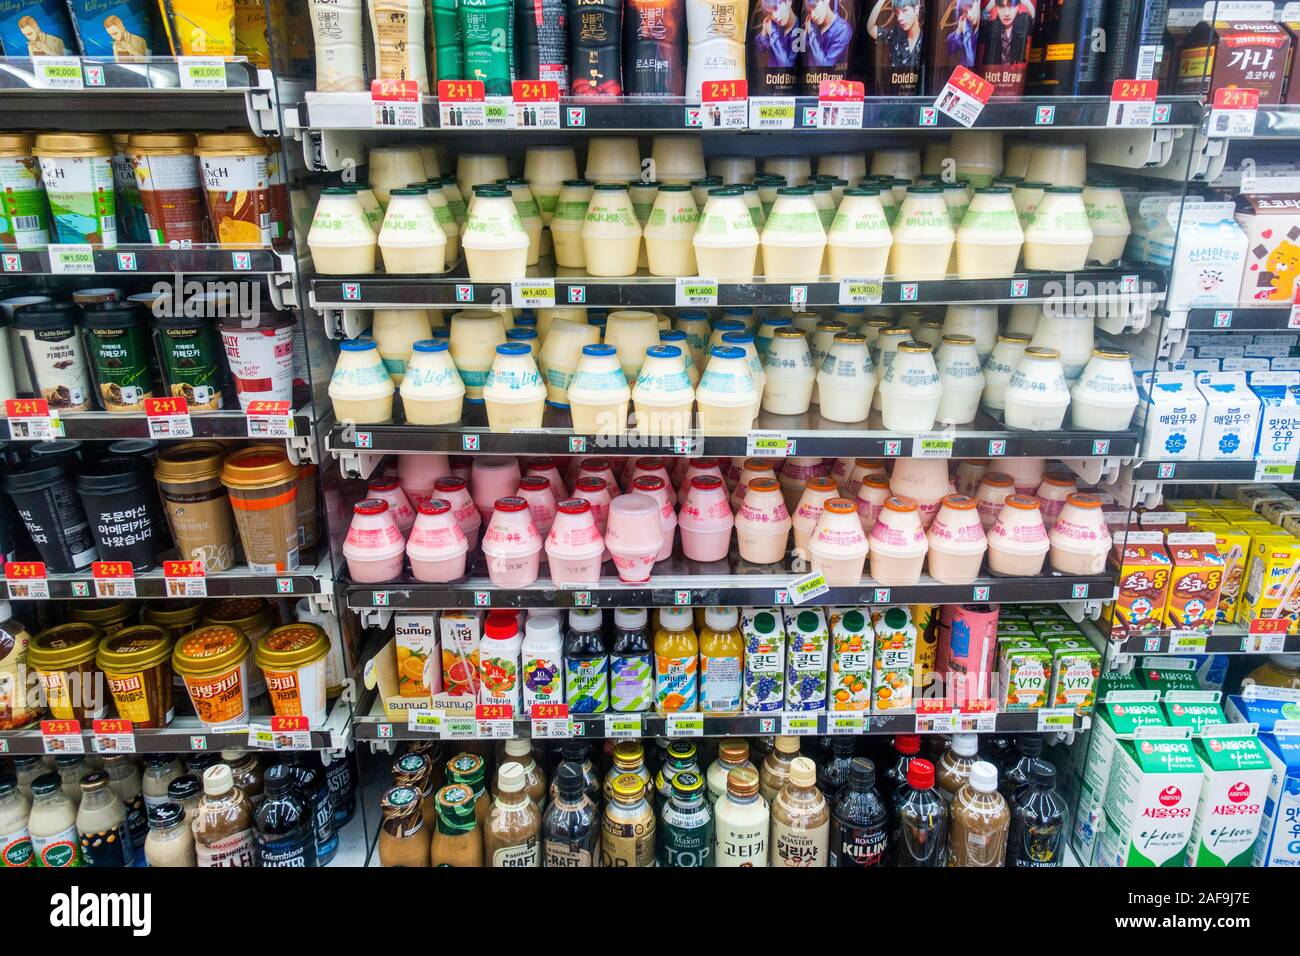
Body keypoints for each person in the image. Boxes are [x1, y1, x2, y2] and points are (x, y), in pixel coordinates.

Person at [866, 0, 923, 70]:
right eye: (897, 13)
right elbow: (871, 29)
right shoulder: (895, 34)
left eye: (905, 10)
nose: (900, 18)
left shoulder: (926, 40)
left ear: (917, 9)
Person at [980, 0, 1034, 66]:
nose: (1006, 13)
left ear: (1018, 6)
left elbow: (1033, 20)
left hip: (1015, 74)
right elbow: (978, 37)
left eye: (1011, 7)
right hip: (992, 74)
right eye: (1001, 7)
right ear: (996, 6)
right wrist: (989, 6)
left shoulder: (1023, 22)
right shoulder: (991, 26)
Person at [805, 0, 852, 67]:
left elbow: (825, 66)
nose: (813, 15)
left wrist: (811, 33)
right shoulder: (811, 26)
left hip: (833, 76)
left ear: (826, 1)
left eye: (814, 7)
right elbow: (805, 60)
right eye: (809, 12)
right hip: (810, 75)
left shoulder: (843, 29)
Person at [754, 0, 799, 69]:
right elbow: (756, 53)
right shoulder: (774, 26)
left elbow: (787, 66)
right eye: (770, 13)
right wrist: (764, 32)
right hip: (769, 77)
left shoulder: (800, 31)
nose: (775, 16)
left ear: (788, 2)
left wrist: (773, 34)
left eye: (776, 8)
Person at [946, 0, 980, 69]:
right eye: (965, 12)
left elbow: (971, 62)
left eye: (971, 7)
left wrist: (966, 34)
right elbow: (951, 50)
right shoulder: (965, 27)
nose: (969, 15)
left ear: (978, 3)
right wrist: (959, 30)